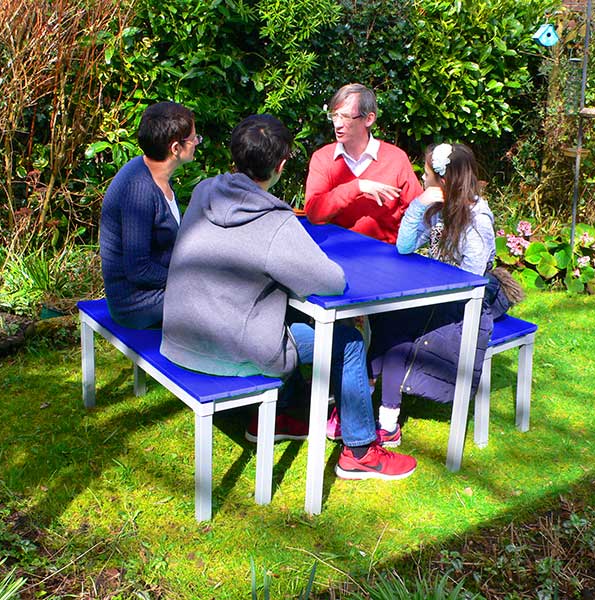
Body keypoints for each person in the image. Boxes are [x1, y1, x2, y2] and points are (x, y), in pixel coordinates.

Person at [161, 114, 416, 480]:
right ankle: (360, 451)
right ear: (280, 166)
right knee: (347, 341)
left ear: (234, 155)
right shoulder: (275, 221)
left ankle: (287, 413)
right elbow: (330, 281)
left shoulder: (204, 191)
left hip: (180, 335)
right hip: (229, 350)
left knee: (287, 320)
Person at [368, 143, 515, 447]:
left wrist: (431, 295)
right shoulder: (437, 209)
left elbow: (472, 280)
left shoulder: (477, 219)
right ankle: (362, 399)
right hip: (438, 293)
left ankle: (384, 418)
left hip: (469, 301)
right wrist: (419, 204)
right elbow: (404, 246)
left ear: (443, 180)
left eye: (426, 174)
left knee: (400, 331)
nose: (422, 179)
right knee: (386, 316)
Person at [99, 101, 200, 329]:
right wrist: (188, 279)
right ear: (175, 148)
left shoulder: (156, 173)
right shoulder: (139, 190)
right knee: (223, 299)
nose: (196, 143)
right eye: (193, 138)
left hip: (160, 288)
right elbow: (139, 270)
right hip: (138, 304)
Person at [304, 83, 423, 244]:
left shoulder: (396, 158)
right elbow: (313, 213)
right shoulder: (323, 158)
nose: (337, 124)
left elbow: (417, 213)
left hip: (384, 254)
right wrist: (357, 186)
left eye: (345, 116)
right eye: (334, 115)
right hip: (335, 252)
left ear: (369, 119)